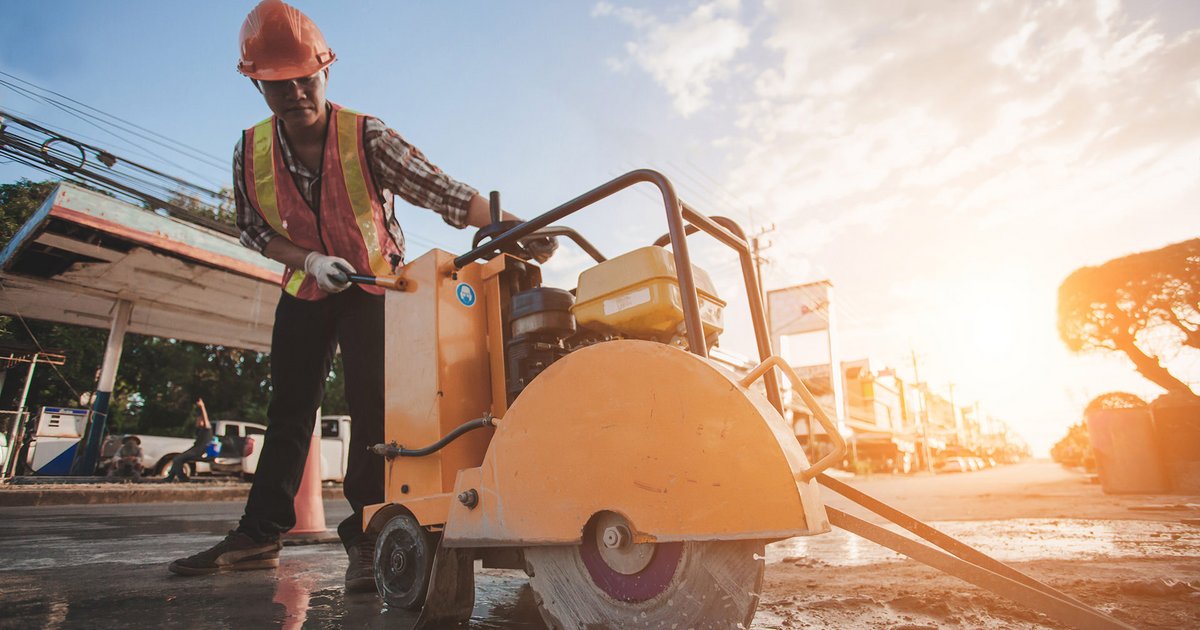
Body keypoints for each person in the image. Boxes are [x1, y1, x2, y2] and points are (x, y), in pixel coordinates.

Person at [168, 0, 555, 592]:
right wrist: (310, 261)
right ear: (256, 84)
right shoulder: (250, 151)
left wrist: (513, 225)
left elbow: (440, 191)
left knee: (373, 407)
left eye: (306, 77)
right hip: (305, 286)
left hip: (375, 286)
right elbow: (254, 230)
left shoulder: (363, 135)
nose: (295, 91)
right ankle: (259, 534)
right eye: (278, 83)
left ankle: (369, 533)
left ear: (326, 70)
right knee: (290, 409)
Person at [166, 399, 212, 482]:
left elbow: (205, 418)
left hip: (199, 450)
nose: (196, 421)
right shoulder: (200, 430)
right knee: (177, 459)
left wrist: (202, 406)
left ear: (202, 421)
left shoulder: (207, 429)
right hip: (195, 449)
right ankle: (170, 477)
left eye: (198, 420)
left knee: (178, 459)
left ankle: (182, 478)